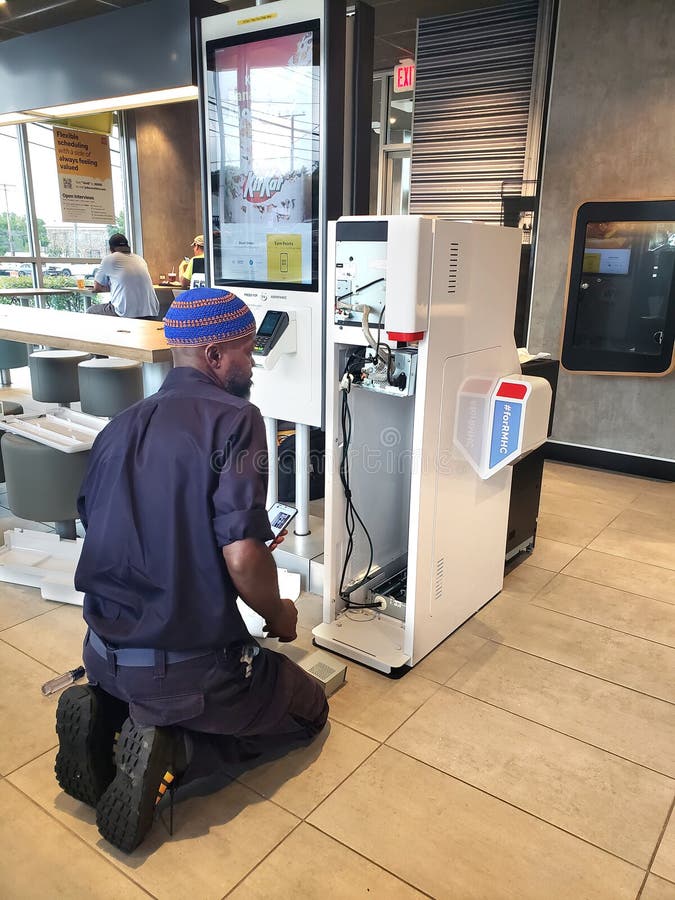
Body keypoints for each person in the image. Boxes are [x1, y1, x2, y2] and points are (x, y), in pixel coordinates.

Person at [54, 287, 328, 853]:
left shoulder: (118, 427)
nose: (252, 364)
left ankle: (106, 712)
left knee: (141, 683)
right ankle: (174, 749)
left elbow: (100, 522)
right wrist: (281, 615)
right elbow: (243, 558)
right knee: (307, 708)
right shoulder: (236, 419)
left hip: (101, 647)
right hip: (182, 667)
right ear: (214, 355)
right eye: (247, 352)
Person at [88, 233, 159, 319]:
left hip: (125, 312)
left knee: (90, 311)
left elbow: (97, 287)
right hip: (151, 312)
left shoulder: (109, 259)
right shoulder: (140, 259)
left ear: (111, 249)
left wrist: (109, 287)